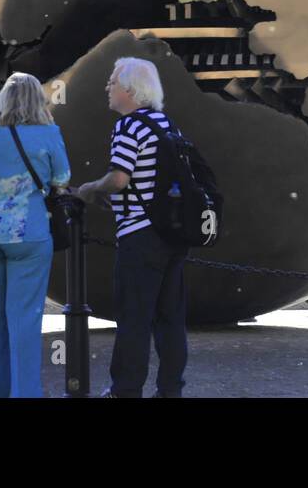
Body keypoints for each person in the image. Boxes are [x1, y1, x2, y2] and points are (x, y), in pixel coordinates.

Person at [75, 57, 188, 398]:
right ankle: (170, 390)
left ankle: (125, 389)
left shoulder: (129, 126)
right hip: (172, 233)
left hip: (139, 235)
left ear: (129, 89)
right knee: (170, 320)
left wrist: (89, 189)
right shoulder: (167, 125)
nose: (107, 87)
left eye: (112, 82)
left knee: (134, 318)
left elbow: (119, 178)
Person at [0, 72, 69, 398]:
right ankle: (26, 393)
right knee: (25, 323)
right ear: (38, 99)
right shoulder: (48, 131)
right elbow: (62, 176)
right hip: (29, 234)